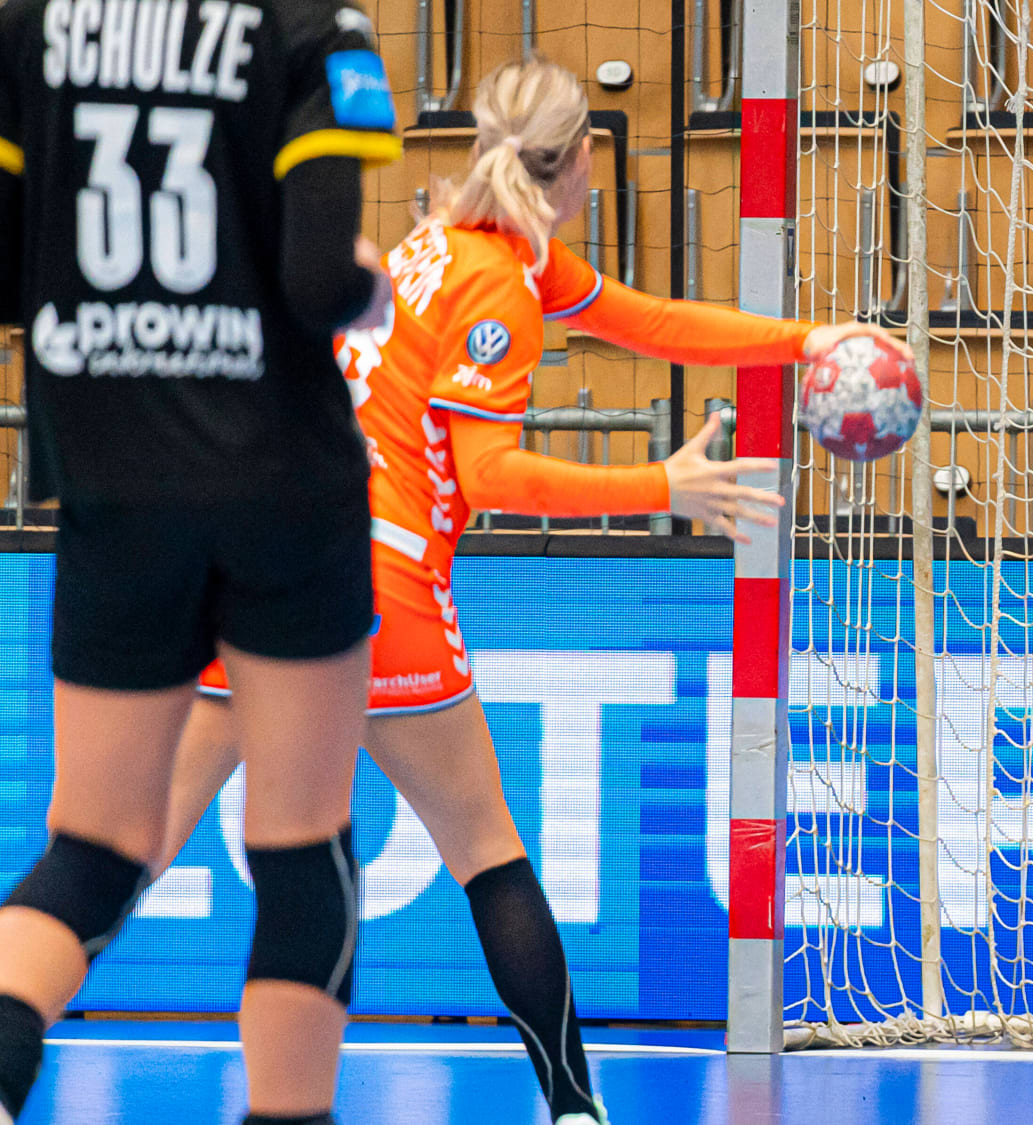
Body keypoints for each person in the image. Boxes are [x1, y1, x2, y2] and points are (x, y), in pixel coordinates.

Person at [156, 57, 912, 1125]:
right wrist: (667, 485)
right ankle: (572, 1109)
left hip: (271, 574)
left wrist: (804, 342)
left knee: (127, 842)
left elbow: (643, 321)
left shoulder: (437, 246)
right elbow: (490, 477)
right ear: (587, 159)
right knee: (487, 854)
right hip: (384, 596)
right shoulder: (498, 288)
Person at [0, 2, 404, 1121]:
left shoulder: (28, 28)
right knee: (302, 847)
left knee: (91, 844)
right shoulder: (314, 31)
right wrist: (370, 288)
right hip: (286, 492)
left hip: (111, 477)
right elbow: (322, 280)